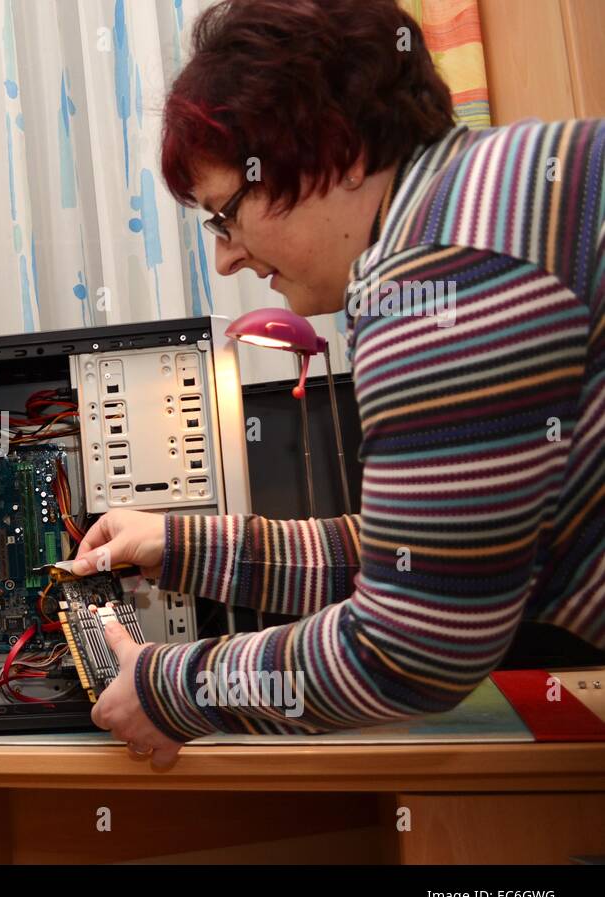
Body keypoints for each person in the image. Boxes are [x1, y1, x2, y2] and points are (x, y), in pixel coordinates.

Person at [72, 0, 605, 769]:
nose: (227, 259)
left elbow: (407, 649)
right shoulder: (488, 197)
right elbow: (429, 553)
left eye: (225, 216)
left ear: (338, 152)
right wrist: (184, 544)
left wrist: (170, 689)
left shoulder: (442, 270)